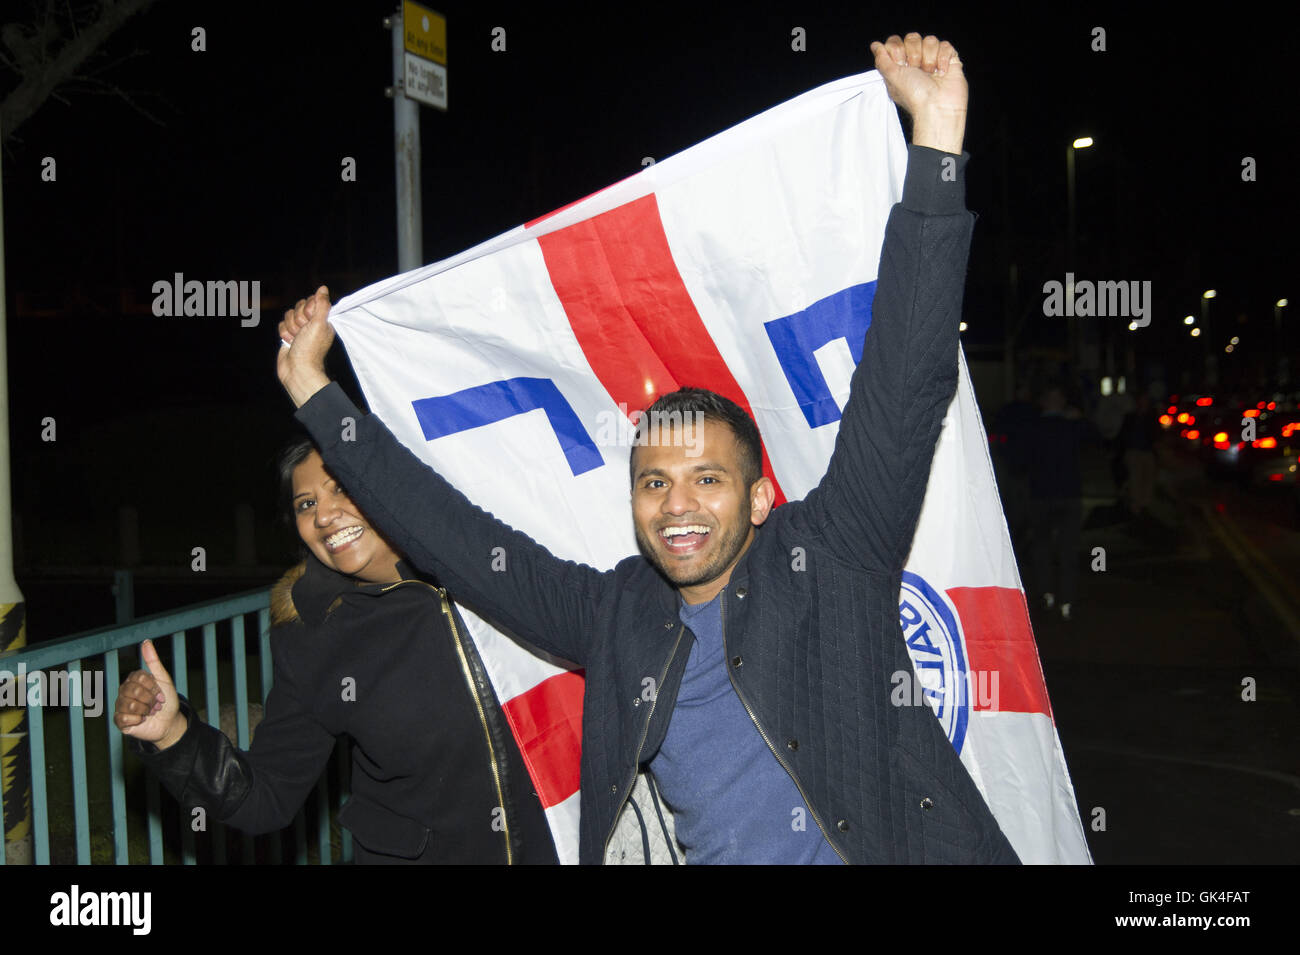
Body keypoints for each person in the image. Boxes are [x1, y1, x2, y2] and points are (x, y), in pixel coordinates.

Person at [276, 32, 1019, 864]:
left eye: (708, 477)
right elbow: (453, 539)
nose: (679, 504)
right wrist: (317, 397)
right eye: (655, 482)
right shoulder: (614, 617)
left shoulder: (833, 556)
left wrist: (939, 137)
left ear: (762, 496)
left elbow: (905, 380)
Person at [114, 437, 558, 864]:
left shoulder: (492, 569)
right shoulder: (313, 635)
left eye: (341, 486)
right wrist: (173, 734)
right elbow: (265, 799)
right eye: (306, 504)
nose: (324, 515)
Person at [1026, 384, 1090, 622]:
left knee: (1042, 547)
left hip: (1041, 494)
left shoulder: (1033, 428)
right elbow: (1095, 441)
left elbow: (1020, 459)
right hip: (1069, 494)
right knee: (1068, 549)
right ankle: (1067, 600)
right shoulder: (1072, 426)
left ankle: (1046, 594)